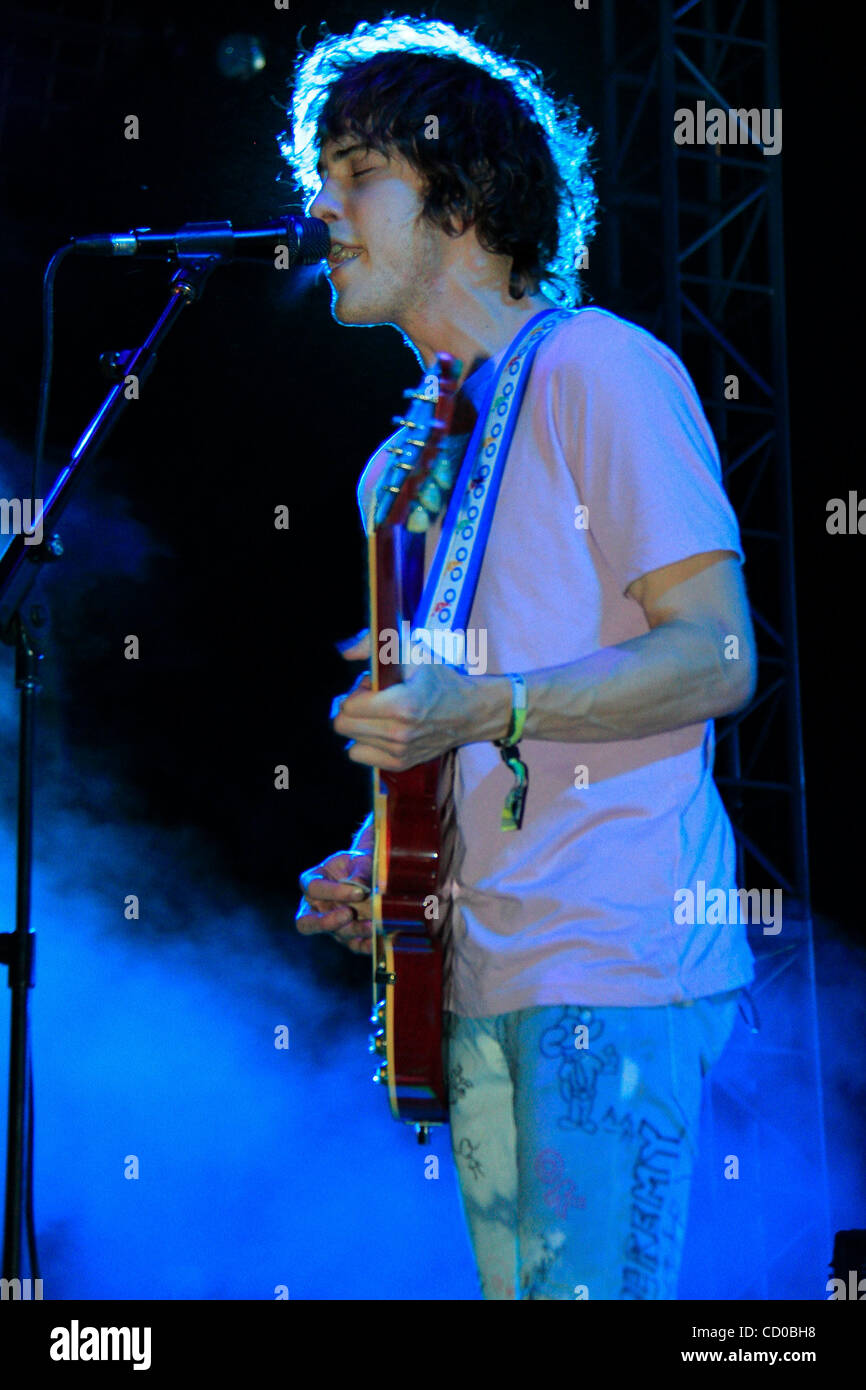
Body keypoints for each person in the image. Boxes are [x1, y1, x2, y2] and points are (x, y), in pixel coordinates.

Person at [289, 18, 757, 1300]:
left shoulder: (596, 367)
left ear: (458, 197)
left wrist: (485, 702)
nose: (317, 207)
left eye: (353, 172)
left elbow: (716, 657)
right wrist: (382, 867)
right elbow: (441, 721)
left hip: (608, 947)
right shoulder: (396, 468)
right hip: (477, 965)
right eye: (315, 176)